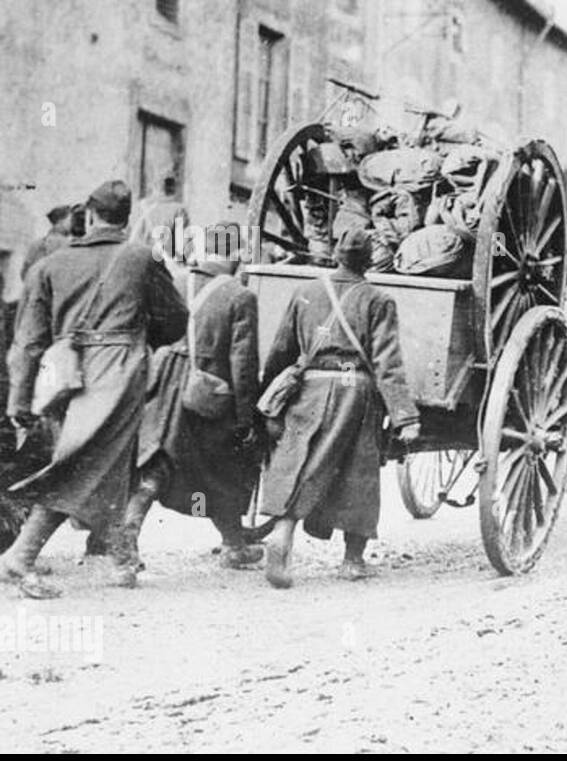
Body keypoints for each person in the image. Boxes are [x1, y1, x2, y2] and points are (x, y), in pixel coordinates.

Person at [2, 180, 189, 598]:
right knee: (83, 460)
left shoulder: (49, 265)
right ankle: (19, 557)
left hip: (63, 373)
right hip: (118, 369)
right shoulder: (141, 258)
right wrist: (139, 341)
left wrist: (20, 400)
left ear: (88, 214)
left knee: (108, 456)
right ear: (125, 218)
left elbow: (28, 341)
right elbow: (176, 319)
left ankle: (118, 557)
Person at [258, 229, 421, 588]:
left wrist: (268, 396)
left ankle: (282, 534)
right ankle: (352, 561)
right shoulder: (379, 299)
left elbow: (281, 349)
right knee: (358, 469)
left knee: (299, 458)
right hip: (354, 388)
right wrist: (405, 415)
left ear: (335, 255)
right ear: (369, 261)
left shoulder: (305, 292)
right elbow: (387, 362)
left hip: (310, 385)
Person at [119, 222, 263, 572]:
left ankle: (131, 534)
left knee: (158, 460)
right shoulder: (240, 296)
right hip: (208, 390)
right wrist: (246, 416)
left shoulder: (178, 280)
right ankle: (231, 545)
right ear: (238, 254)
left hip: (164, 380)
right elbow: (243, 363)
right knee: (221, 467)